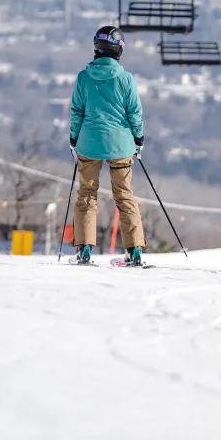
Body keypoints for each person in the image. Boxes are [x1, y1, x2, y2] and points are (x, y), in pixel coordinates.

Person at [68, 25, 146, 266]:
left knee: (86, 195)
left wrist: (74, 138)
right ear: (119, 50)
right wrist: (138, 138)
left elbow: (77, 112)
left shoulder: (83, 77)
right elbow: (135, 112)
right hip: (121, 145)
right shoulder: (125, 79)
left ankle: (84, 250)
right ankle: (134, 251)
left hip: (89, 143)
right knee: (124, 196)